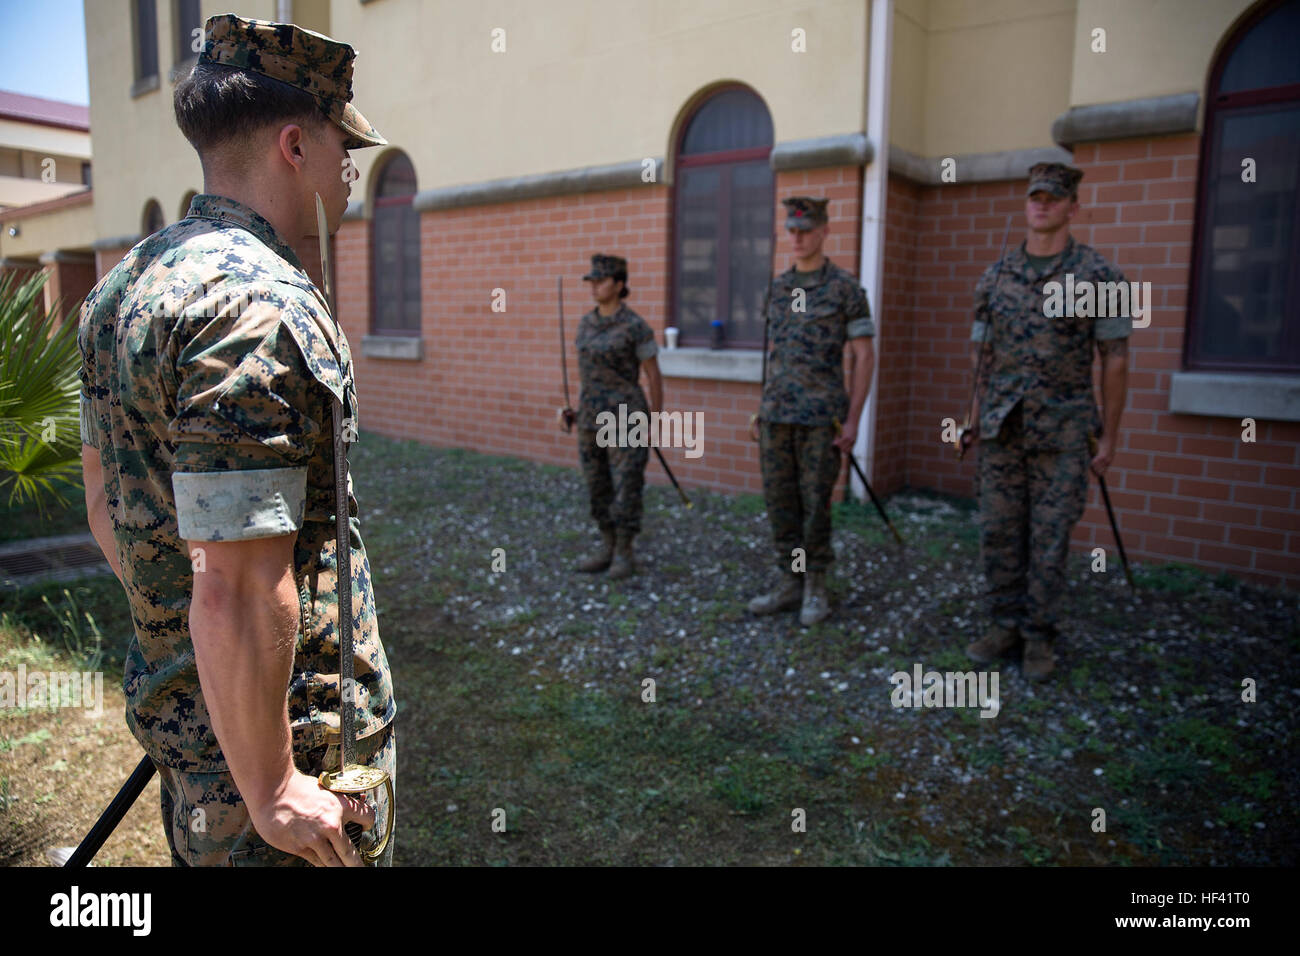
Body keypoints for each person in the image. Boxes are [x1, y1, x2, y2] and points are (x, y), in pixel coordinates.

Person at [78, 14, 395, 866]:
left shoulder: (122, 290)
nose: (351, 171)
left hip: (194, 741)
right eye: (343, 147)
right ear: (295, 144)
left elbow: (109, 502)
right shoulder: (258, 307)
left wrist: (190, 652)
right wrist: (274, 787)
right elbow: (240, 586)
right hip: (290, 770)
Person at [962, 162, 1131, 680]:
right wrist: (970, 419)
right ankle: (1005, 623)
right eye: (1035, 196)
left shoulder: (1101, 275)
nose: (1041, 205)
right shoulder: (995, 276)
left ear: (1073, 207)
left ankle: (1039, 636)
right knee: (999, 530)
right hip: (1003, 429)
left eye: (1053, 199)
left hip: (1063, 431)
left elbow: (1116, 359)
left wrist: (1110, 439)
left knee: (1051, 537)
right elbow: (981, 356)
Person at [747, 197, 874, 627]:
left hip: (821, 418)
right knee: (781, 503)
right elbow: (774, 354)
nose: (797, 238)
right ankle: (791, 579)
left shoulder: (845, 289)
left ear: (823, 232)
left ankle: (816, 584)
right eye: (791, 230)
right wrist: (761, 407)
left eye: (805, 230)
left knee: (815, 504)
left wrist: (854, 419)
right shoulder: (779, 288)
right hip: (777, 416)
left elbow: (863, 355)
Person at [560, 254, 662, 580]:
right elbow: (586, 373)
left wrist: (655, 420)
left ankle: (624, 552)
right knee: (597, 485)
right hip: (590, 416)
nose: (594, 287)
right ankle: (606, 545)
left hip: (626, 417)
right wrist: (570, 409)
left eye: (601, 281)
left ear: (619, 285)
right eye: (591, 281)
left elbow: (653, 375)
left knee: (627, 486)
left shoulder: (635, 326)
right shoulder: (585, 324)